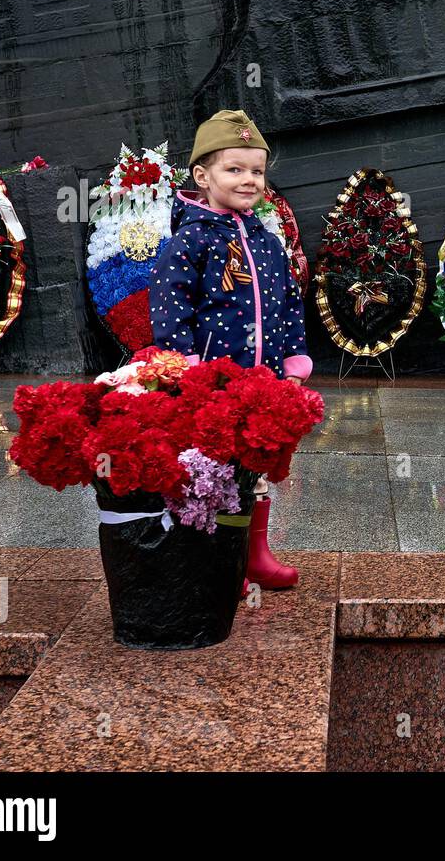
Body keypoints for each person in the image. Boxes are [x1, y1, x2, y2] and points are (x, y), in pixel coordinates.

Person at [149, 109, 311, 591]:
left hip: (263, 383)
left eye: (257, 171)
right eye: (234, 169)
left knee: (255, 466)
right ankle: (219, 560)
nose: (248, 180)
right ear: (202, 176)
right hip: (214, 383)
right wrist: (189, 369)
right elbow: (169, 307)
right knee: (215, 473)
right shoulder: (190, 240)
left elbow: (288, 304)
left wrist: (293, 361)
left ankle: (254, 554)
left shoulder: (266, 241)